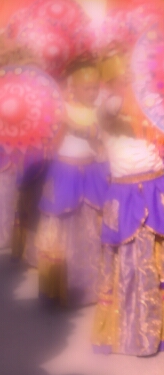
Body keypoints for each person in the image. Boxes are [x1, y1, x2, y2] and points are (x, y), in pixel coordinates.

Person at [91, 53, 164, 356]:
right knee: (130, 266)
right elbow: (109, 111)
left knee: (162, 264)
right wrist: (131, 97)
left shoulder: (153, 105)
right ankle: (134, 333)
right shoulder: (107, 107)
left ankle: (163, 331)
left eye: (129, 79)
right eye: (120, 80)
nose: (125, 84)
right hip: (125, 193)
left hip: (158, 186)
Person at [37, 61, 108, 307]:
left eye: (95, 87)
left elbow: (102, 144)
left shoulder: (99, 111)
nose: (92, 92)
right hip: (65, 171)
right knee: (63, 229)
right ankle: (61, 287)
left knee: (90, 227)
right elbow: (50, 140)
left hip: (91, 171)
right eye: (87, 88)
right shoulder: (62, 110)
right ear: (74, 89)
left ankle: (90, 286)